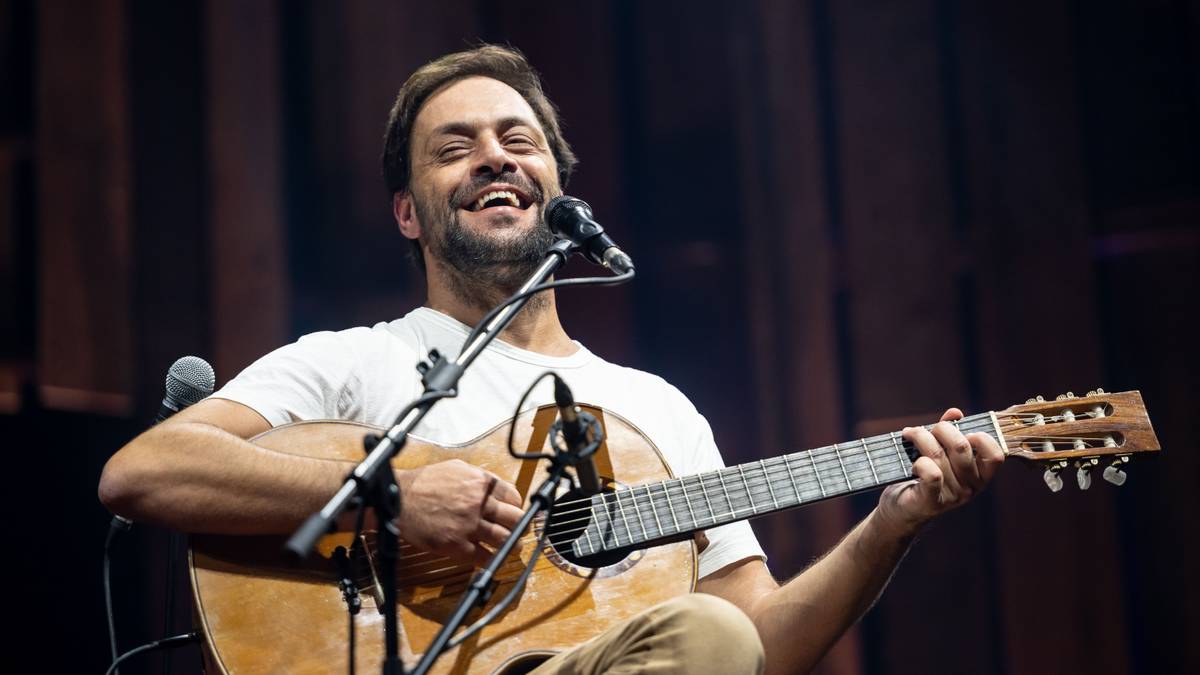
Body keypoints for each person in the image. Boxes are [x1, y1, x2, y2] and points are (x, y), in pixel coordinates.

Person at [99, 45, 1005, 675]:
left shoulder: (656, 408)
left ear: (556, 190)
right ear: (408, 213)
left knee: (710, 631)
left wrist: (893, 525)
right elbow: (144, 471)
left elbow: (757, 648)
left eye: (517, 139)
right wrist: (398, 499)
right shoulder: (352, 364)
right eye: (454, 149)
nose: (493, 157)